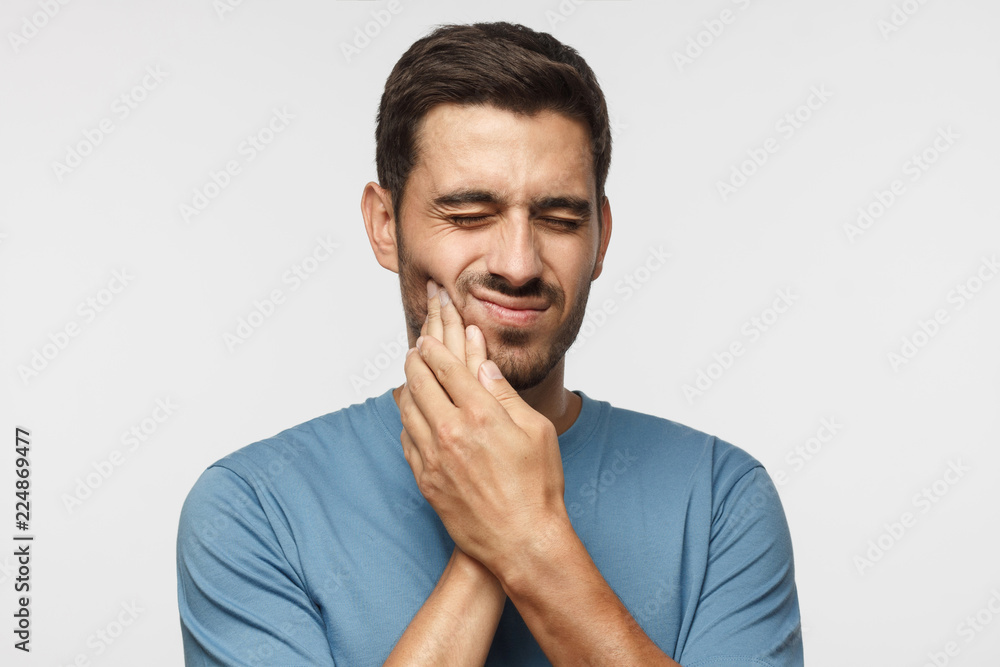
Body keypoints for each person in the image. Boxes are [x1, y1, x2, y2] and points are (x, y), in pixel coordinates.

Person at [176, 21, 803, 666]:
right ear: (386, 225)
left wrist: (527, 537)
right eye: (470, 215)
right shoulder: (250, 509)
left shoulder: (722, 500)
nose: (520, 263)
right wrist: (493, 535)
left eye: (560, 219)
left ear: (603, 238)